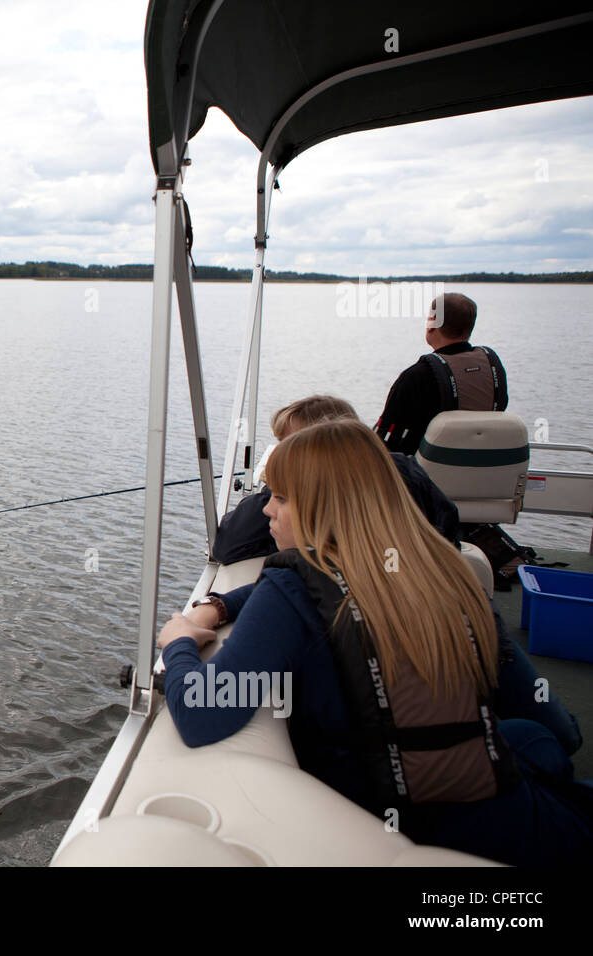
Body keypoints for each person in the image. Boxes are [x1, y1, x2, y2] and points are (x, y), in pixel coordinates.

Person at [158, 419, 591, 865]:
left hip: (399, 828)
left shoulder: (290, 588)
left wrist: (179, 643)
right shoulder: (448, 573)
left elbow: (202, 713)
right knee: (530, 737)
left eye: (282, 498)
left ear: (323, 506)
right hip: (516, 817)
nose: (267, 510)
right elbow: (562, 730)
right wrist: (223, 605)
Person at [212, 395, 459, 565]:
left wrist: (279, 485)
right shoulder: (404, 468)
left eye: (291, 445)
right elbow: (447, 534)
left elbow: (228, 544)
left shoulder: (317, 489)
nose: (282, 453)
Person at [374, 292, 508, 456]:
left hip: (422, 477)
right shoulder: (493, 370)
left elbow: (384, 439)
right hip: (486, 469)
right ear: (470, 326)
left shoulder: (416, 376)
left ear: (432, 323)